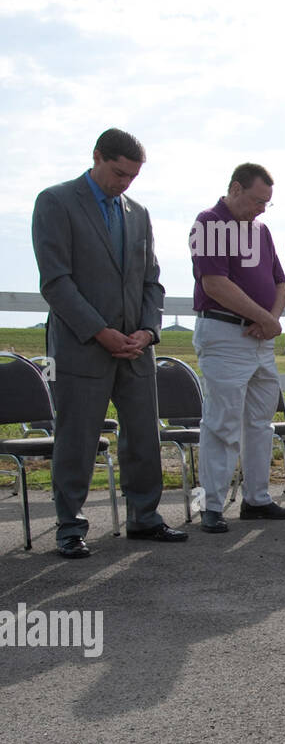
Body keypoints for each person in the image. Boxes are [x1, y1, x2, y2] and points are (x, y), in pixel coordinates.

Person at [32, 127, 187, 557]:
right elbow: (56, 282)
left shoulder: (138, 213)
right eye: (118, 173)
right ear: (96, 156)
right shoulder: (55, 202)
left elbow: (151, 281)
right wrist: (101, 332)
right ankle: (70, 526)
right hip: (83, 345)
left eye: (132, 177)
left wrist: (149, 331)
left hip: (136, 347)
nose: (124, 184)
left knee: (142, 436)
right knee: (76, 438)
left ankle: (145, 517)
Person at [190, 163, 285, 533]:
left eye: (267, 202)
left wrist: (269, 318)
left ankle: (257, 499)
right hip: (224, 336)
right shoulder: (210, 222)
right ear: (235, 188)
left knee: (259, 423)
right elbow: (215, 284)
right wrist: (264, 318)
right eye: (256, 200)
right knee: (221, 423)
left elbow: (280, 282)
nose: (262, 209)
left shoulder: (261, 230)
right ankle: (212, 506)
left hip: (259, 340)